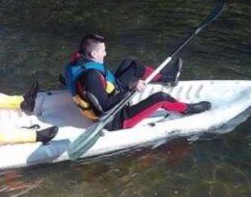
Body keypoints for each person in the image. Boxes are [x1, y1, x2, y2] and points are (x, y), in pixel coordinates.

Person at [63, 34, 210, 131]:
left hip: (110, 97)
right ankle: (188, 110)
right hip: (116, 119)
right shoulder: (91, 76)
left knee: (130, 64)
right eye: (103, 50)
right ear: (93, 54)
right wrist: (130, 88)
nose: (106, 53)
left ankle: (168, 78)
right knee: (161, 98)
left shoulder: (79, 63)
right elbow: (104, 107)